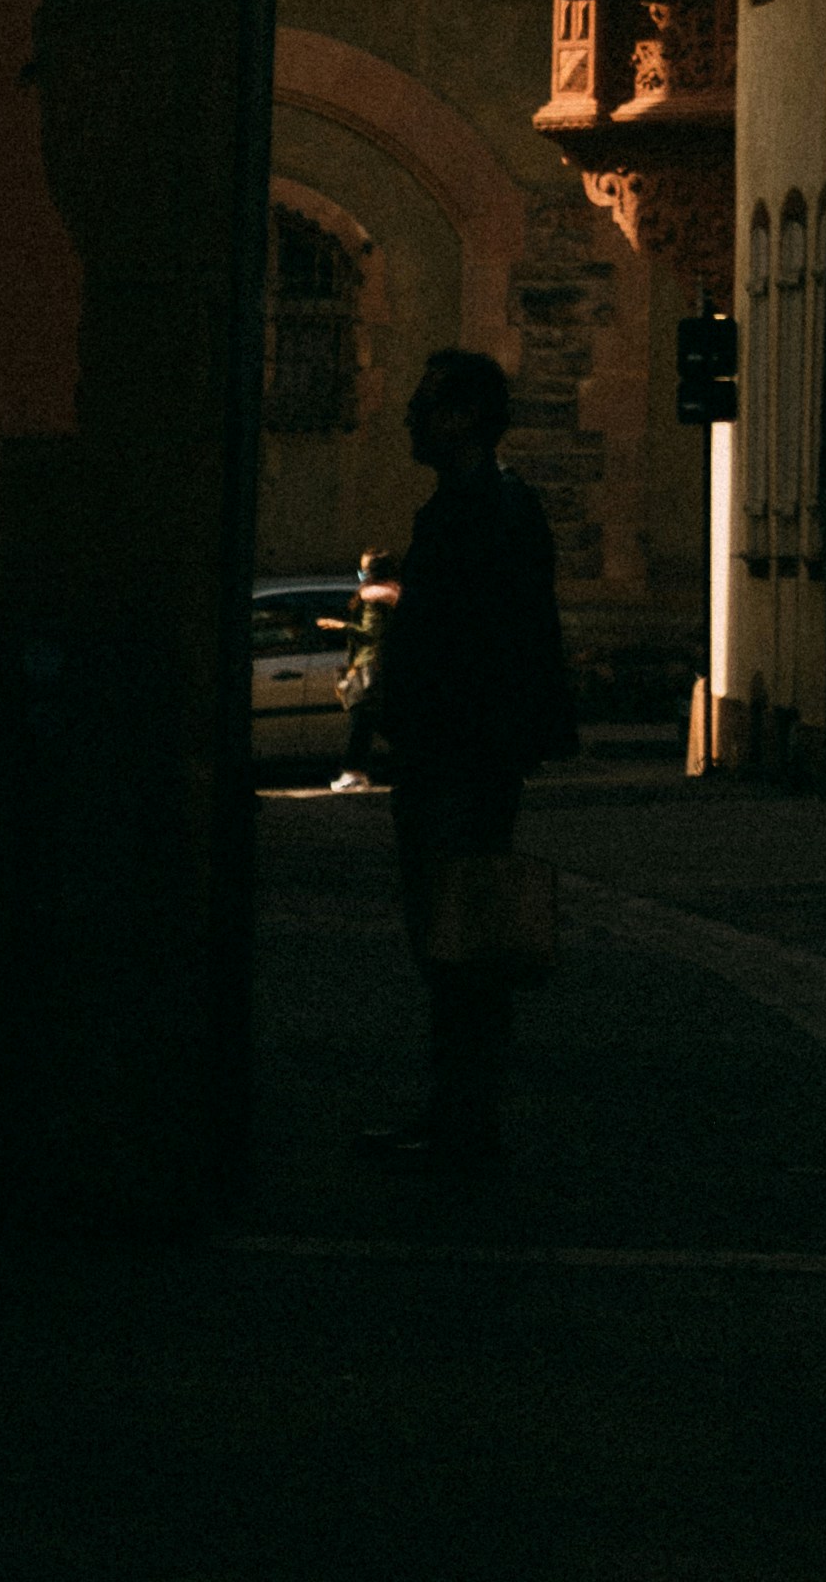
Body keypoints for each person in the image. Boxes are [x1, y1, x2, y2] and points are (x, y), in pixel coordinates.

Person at [357, 342, 577, 1169]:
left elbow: (489, 642)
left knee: (457, 942)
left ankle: (460, 1123)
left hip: (459, 757)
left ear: (462, 417)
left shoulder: (483, 508)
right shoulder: (481, 503)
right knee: (457, 941)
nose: (412, 417)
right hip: (460, 753)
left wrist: (427, 711)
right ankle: (458, 1117)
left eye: (426, 403)